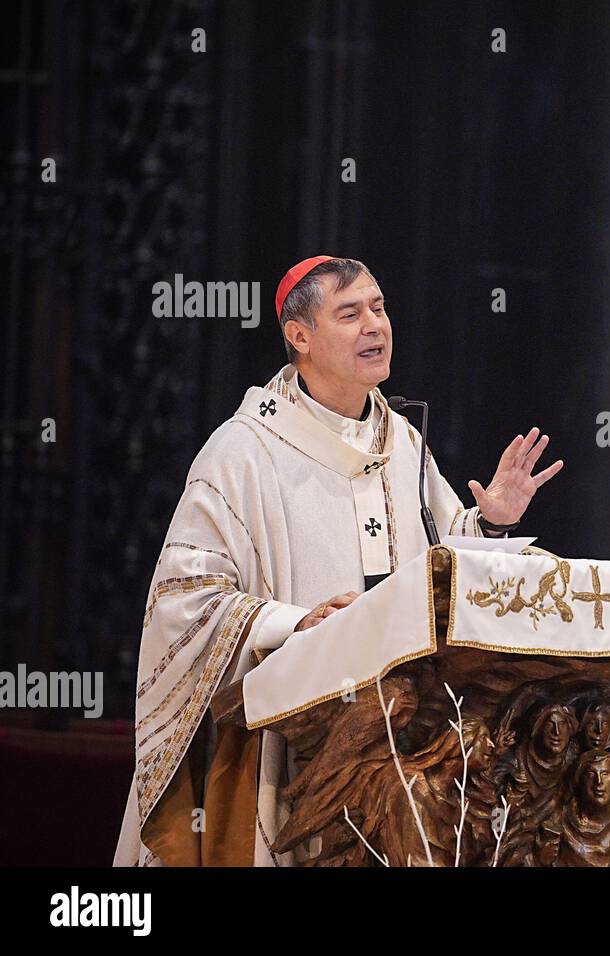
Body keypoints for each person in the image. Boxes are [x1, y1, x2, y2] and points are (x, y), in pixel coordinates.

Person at [113, 255, 563, 866]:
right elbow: (186, 598)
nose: (375, 325)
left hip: (406, 729)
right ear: (299, 336)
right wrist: (294, 622)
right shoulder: (244, 451)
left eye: (379, 308)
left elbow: (439, 560)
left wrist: (491, 523)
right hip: (296, 727)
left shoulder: (402, 439)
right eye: (350, 314)